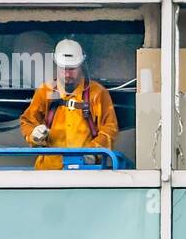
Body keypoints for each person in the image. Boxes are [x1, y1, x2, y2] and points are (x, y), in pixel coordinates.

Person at [19, 39, 118, 170]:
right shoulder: (45, 92)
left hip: (85, 172)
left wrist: (93, 153)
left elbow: (110, 128)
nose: (67, 74)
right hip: (49, 172)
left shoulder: (97, 93)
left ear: (81, 65)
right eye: (63, 68)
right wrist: (33, 134)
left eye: (72, 69)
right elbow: (27, 121)